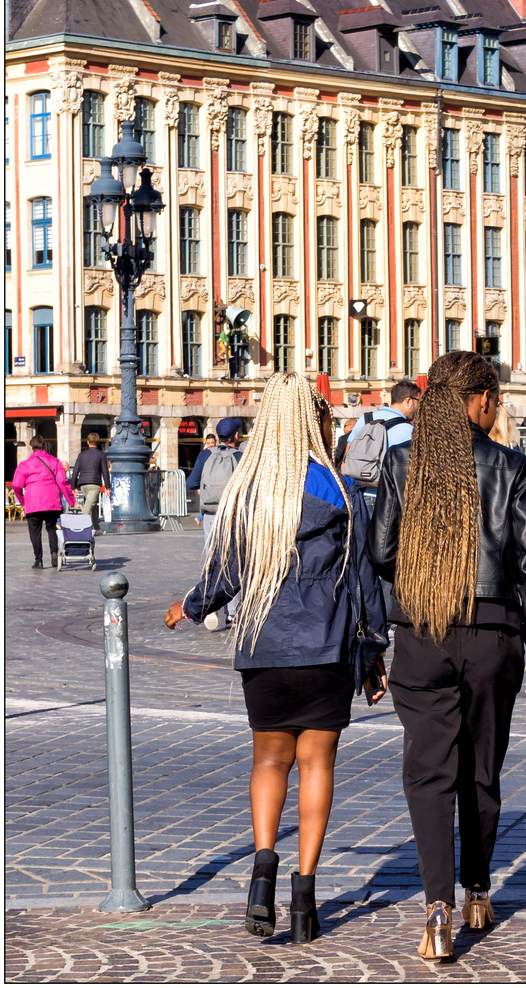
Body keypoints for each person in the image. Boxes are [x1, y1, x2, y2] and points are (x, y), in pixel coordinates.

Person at [164, 373, 388, 945]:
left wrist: (190, 606)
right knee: (317, 766)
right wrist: (373, 650)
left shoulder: (248, 487)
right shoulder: (340, 489)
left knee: (269, 761)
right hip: (326, 647)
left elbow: (226, 570)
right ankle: (305, 897)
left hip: (264, 643)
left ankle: (262, 870)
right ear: (315, 422)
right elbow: (364, 581)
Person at [368, 351, 526, 962]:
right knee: (482, 767)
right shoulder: (509, 465)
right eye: (495, 397)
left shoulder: (402, 461)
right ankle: (478, 889)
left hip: (423, 632)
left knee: (428, 773)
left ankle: (437, 912)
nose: (497, 406)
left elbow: (380, 551)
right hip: (493, 633)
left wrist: (428, 576)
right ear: (477, 400)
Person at [197, 418, 246, 631]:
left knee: (212, 560)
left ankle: (208, 605)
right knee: (232, 560)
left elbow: (191, 482)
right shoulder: (241, 456)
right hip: (232, 514)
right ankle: (233, 614)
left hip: (209, 514)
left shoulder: (206, 455)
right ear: (236, 435)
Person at [342, 379, 421, 507]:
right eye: (418, 402)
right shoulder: (409, 430)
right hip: (388, 501)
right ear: (408, 401)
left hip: (358, 495)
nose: (418, 407)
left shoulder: (365, 419)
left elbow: (346, 459)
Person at [12, 436, 76, 569]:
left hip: (33, 502)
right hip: (52, 501)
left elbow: (16, 485)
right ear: (45, 446)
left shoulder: (24, 465)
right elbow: (62, 482)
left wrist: (23, 502)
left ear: (31, 447)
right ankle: (53, 552)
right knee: (52, 528)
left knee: (35, 532)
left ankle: (38, 560)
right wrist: (71, 500)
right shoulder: (55, 462)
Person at [72, 432, 111, 527]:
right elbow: (105, 472)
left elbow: (75, 472)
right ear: (97, 443)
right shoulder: (101, 455)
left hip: (83, 484)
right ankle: (81, 528)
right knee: (88, 508)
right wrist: (108, 487)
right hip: (95, 483)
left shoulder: (81, 455)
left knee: (91, 505)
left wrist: (74, 486)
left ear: (88, 442)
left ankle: (96, 527)